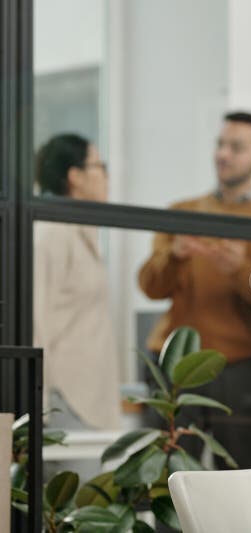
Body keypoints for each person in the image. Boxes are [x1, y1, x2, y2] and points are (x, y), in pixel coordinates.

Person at [138, 111, 251, 469]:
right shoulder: (182, 213)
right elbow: (149, 286)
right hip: (176, 368)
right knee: (168, 485)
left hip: (240, 372)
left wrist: (240, 271)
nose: (223, 154)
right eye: (220, 144)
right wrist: (174, 257)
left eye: (236, 147)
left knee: (237, 490)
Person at [33, 133, 121, 431]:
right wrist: (37, 407)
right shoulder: (51, 232)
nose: (106, 176)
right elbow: (35, 320)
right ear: (76, 177)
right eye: (100, 166)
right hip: (64, 401)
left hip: (87, 399)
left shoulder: (80, 230)